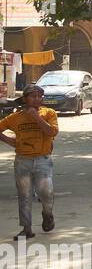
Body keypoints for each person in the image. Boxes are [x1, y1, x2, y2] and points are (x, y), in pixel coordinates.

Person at [1, 85, 58, 240]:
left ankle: (47, 215)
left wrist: (36, 117)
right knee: (24, 195)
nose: (37, 99)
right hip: (22, 161)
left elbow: (52, 132)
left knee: (46, 192)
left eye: (40, 96)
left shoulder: (49, 113)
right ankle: (26, 229)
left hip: (43, 160)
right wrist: (13, 142)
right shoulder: (16, 117)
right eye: (33, 96)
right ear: (25, 99)